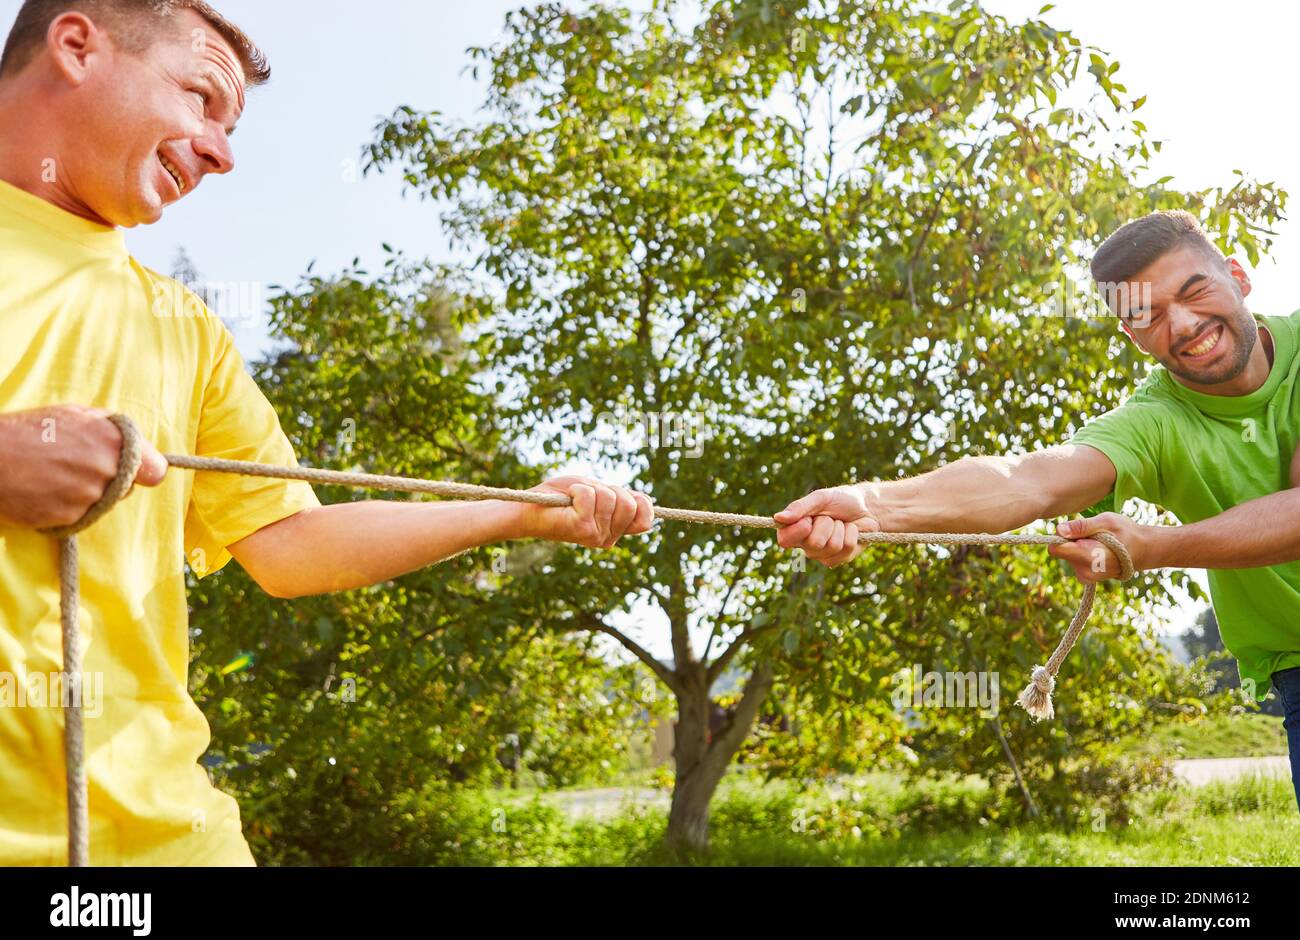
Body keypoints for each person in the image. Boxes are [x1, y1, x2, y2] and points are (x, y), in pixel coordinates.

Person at [0, 0, 653, 865]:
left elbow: (289, 540)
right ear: (78, 46)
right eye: (200, 99)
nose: (221, 153)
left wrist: (524, 513)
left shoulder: (184, 328)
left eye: (230, 129)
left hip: (173, 846)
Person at [775, 208, 1300, 810]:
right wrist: (873, 504)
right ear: (1131, 336)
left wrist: (1154, 548)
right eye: (1146, 316)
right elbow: (1028, 480)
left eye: (1194, 291)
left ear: (1238, 276)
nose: (1180, 325)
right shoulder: (1154, 422)